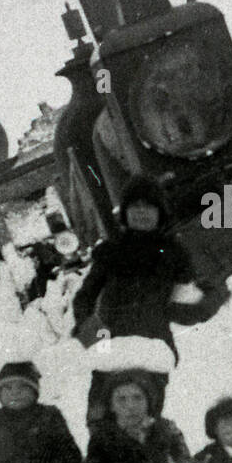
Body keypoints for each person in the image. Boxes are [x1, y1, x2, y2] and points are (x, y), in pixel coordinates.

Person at [72, 175, 214, 427]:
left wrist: (209, 301)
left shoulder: (173, 253)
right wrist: (95, 340)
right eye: (135, 207)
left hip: (152, 347)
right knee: (100, 421)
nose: (141, 213)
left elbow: (187, 302)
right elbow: (84, 298)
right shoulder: (111, 251)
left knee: (144, 423)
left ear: (160, 213)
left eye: (149, 207)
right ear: (125, 213)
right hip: (111, 346)